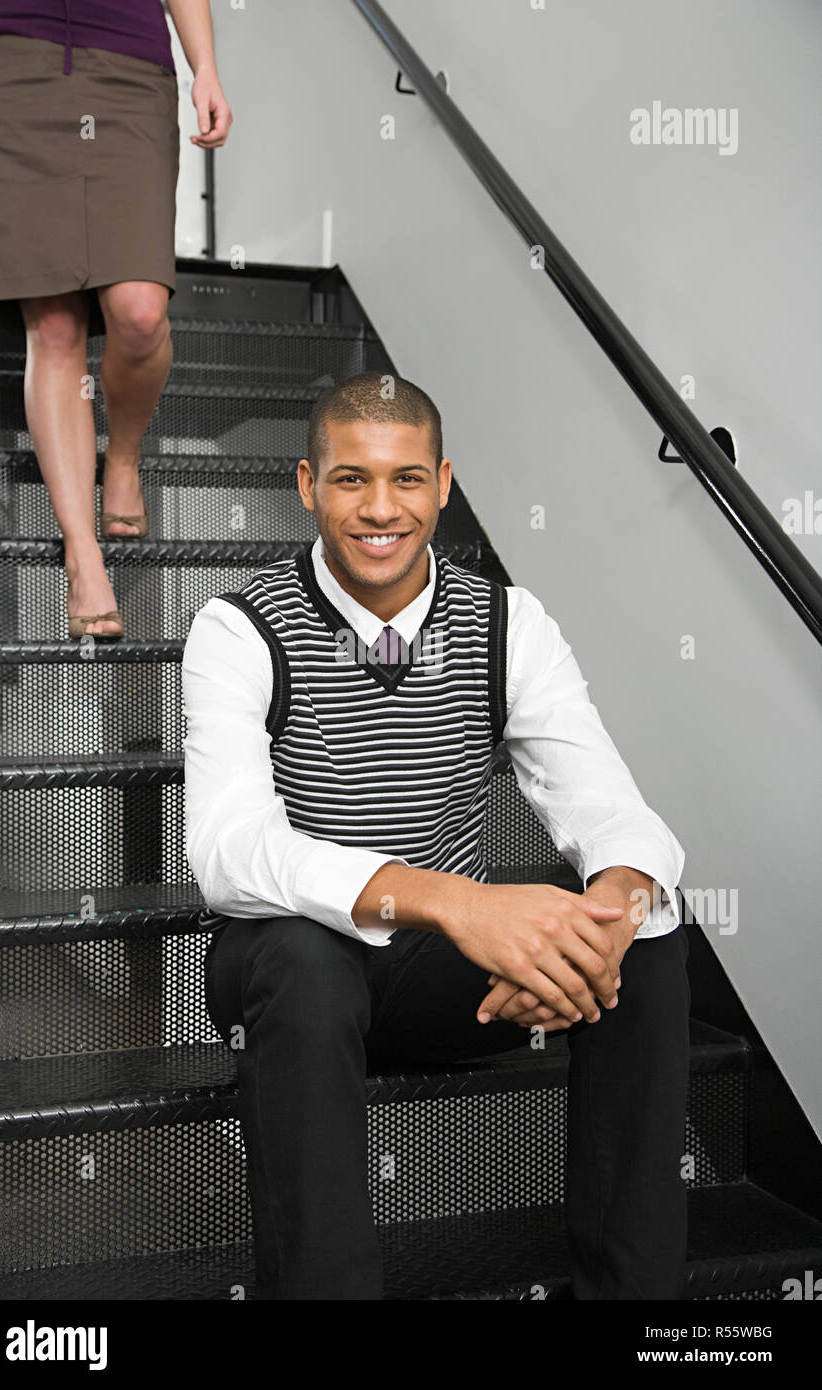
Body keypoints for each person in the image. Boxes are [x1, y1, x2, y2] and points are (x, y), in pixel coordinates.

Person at [183, 371, 691, 1301]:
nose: (382, 509)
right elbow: (223, 853)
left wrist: (606, 917)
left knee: (646, 928)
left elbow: (610, 808)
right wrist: (456, 901)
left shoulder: (510, 623)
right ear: (307, 485)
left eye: (408, 479)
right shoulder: (237, 627)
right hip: (297, 972)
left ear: (444, 483)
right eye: (351, 480)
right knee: (299, 954)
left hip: (440, 979)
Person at [0, 0, 232, 638]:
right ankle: (82, 554)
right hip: (11, 63)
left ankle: (124, 457)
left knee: (140, 312)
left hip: (130, 66)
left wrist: (206, 69)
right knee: (53, 325)